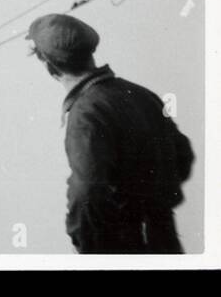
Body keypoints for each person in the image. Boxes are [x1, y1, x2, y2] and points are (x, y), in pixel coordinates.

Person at [27, 13, 194, 254]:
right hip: (165, 243)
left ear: (47, 64)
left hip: (118, 249)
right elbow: (183, 157)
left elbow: (87, 192)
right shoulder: (142, 95)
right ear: (90, 53)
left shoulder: (85, 112)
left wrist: (84, 244)